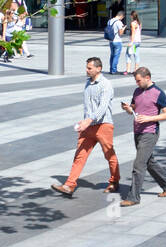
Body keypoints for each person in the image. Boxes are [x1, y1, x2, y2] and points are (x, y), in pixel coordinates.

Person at [51, 56, 120, 198]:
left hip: (103, 125)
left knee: (109, 155)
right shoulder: (88, 83)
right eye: (87, 67)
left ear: (98, 68)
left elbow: (103, 107)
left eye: (89, 68)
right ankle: (69, 185)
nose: (87, 70)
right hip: (87, 127)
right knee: (79, 156)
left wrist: (89, 120)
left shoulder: (106, 84)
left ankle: (114, 181)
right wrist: (84, 122)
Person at [119, 66, 166, 205]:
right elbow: (133, 108)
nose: (137, 83)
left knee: (139, 164)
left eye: (138, 81)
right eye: (136, 81)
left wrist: (148, 118)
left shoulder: (158, 93)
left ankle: (133, 197)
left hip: (150, 132)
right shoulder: (137, 91)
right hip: (137, 131)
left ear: (147, 78)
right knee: (149, 161)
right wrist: (128, 108)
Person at [106, 8, 126, 75]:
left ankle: (111, 69)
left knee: (112, 55)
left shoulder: (109, 21)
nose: (122, 19)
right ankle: (114, 70)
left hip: (111, 40)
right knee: (116, 56)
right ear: (121, 15)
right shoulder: (118, 22)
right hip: (117, 41)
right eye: (122, 17)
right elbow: (120, 33)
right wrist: (123, 28)